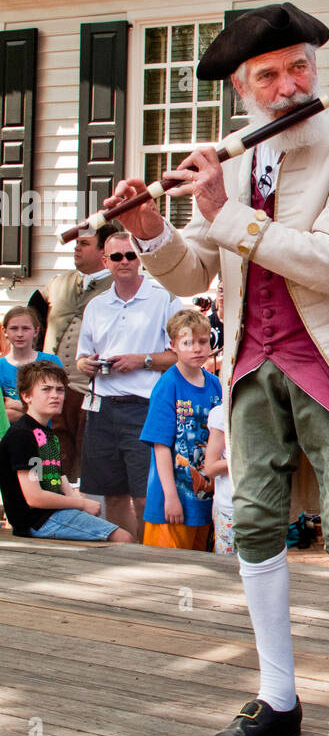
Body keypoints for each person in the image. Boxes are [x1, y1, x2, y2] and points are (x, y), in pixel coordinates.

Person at [102, 1, 329, 736]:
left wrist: (219, 209)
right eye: (266, 75)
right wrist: (151, 229)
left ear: (316, 66)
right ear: (241, 88)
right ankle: (278, 696)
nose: (286, 85)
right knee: (255, 523)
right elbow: (196, 272)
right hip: (252, 363)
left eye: (298, 66)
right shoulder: (235, 162)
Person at [76, 230, 181, 540]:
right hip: (102, 406)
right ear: (105, 261)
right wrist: (88, 365)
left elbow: (180, 354)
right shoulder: (95, 305)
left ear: (140, 259)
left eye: (131, 255)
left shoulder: (164, 298)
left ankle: (150, 558)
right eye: (117, 257)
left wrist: (142, 360)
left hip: (144, 406)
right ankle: (126, 556)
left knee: (145, 494)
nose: (125, 262)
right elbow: (81, 359)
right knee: (113, 494)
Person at [0, 362, 132, 543]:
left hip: (55, 514)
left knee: (119, 537)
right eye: (46, 389)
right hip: (37, 521)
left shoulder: (47, 434)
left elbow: (61, 481)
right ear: (26, 396)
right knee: (123, 538)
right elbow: (34, 497)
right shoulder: (22, 435)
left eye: (60, 390)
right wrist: (82, 503)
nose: (55, 395)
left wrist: (78, 504)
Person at [141, 309, 223, 550]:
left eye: (202, 342)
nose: (196, 348)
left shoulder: (216, 385)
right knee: (166, 568)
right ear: (173, 345)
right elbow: (160, 446)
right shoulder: (167, 386)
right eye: (188, 343)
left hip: (206, 499)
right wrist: (170, 497)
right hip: (172, 500)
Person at [41, 225, 114, 478]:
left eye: (84, 243)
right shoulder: (57, 283)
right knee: (52, 460)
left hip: (92, 389)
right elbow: (31, 322)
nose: (76, 247)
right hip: (51, 385)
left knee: (86, 462)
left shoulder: (120, 287)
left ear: (104, 250)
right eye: (76, 243)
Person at [1, 306, 62, 425]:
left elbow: (55, 404)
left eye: (25, 329)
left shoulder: (50, 361)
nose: (19, 334)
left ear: (36, 331)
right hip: (9, 438)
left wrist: (15, 404)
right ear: (4, 331)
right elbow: (2, 414)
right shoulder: (1, 366)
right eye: (14, 328)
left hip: (43, 437)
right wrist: (35, 409)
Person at [204, 399, 234, 555]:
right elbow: (210, 467)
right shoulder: (223, 413)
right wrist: (242, 460)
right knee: (228, 568)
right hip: (230, 511)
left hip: (266, 507)